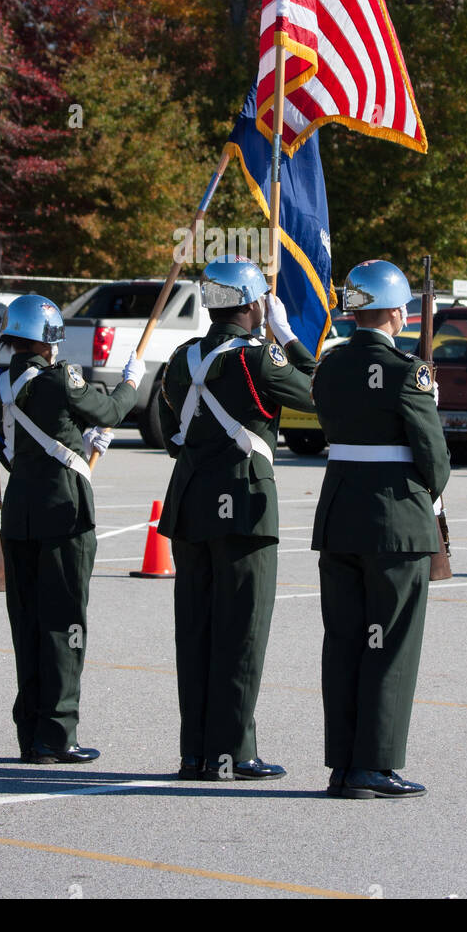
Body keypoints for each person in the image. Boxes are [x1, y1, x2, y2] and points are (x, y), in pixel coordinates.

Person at [158, 258, 316, 781]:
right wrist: (289, 337)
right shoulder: (260, 358)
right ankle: (232, 752)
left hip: (189, 504)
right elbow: (321, 397)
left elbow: (169, 432)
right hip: (244, 504)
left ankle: (194, 752)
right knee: (242, 631)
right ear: (252, 305)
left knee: (196, 631)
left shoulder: (182, 357)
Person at [311, 259, 450, 799]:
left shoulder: (330, 367)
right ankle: (374, 765)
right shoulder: (408, 371)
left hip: (341, 515)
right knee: (389, 644)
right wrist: (426, 404)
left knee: (344, 642)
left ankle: (344, 765)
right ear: (396, 311)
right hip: (395, 522)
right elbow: (433, 462)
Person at [0, 294, 143, 764]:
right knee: (65, 623)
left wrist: (76, 441)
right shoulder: (62, 378)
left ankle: (30, 732)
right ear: (52, 338)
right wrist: (130, 382)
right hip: (63, 515)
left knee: (27, 625)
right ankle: (57, 734)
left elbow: (7, 448)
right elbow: (110, 411)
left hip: (20, 511)